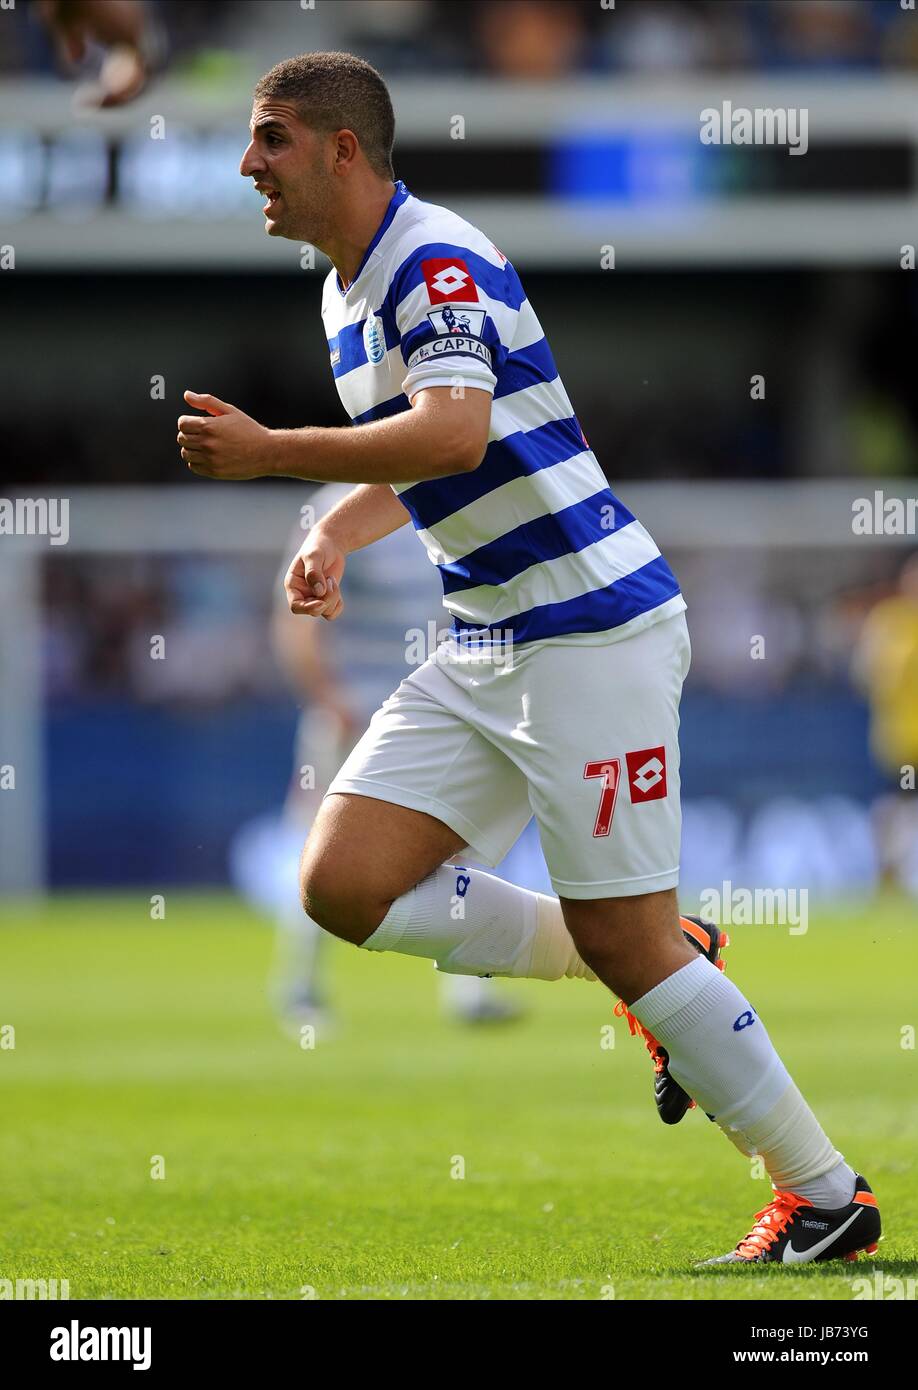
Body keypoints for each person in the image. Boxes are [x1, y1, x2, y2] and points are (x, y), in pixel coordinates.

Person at [176, 50, 880, 1266]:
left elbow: (452, 431)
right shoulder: (348, 290)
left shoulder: (434, 259)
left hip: (589, 631)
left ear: (345, 149)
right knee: (342, 883)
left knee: (626, 935)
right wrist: (335, 524)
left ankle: (825, 1196)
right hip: (487, 634)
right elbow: (436, 453)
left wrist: (274, 457)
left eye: (272, 139)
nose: (250, 164)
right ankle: (668, 960)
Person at [271, 482, 537, 1029]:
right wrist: (328, 699)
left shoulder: (441, 497)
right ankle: (301, 986)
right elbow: (294, 618)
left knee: (456, 843)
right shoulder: (334, 508)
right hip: (352, 710)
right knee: (321, 846)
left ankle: (470, 995)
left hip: (429, 709)